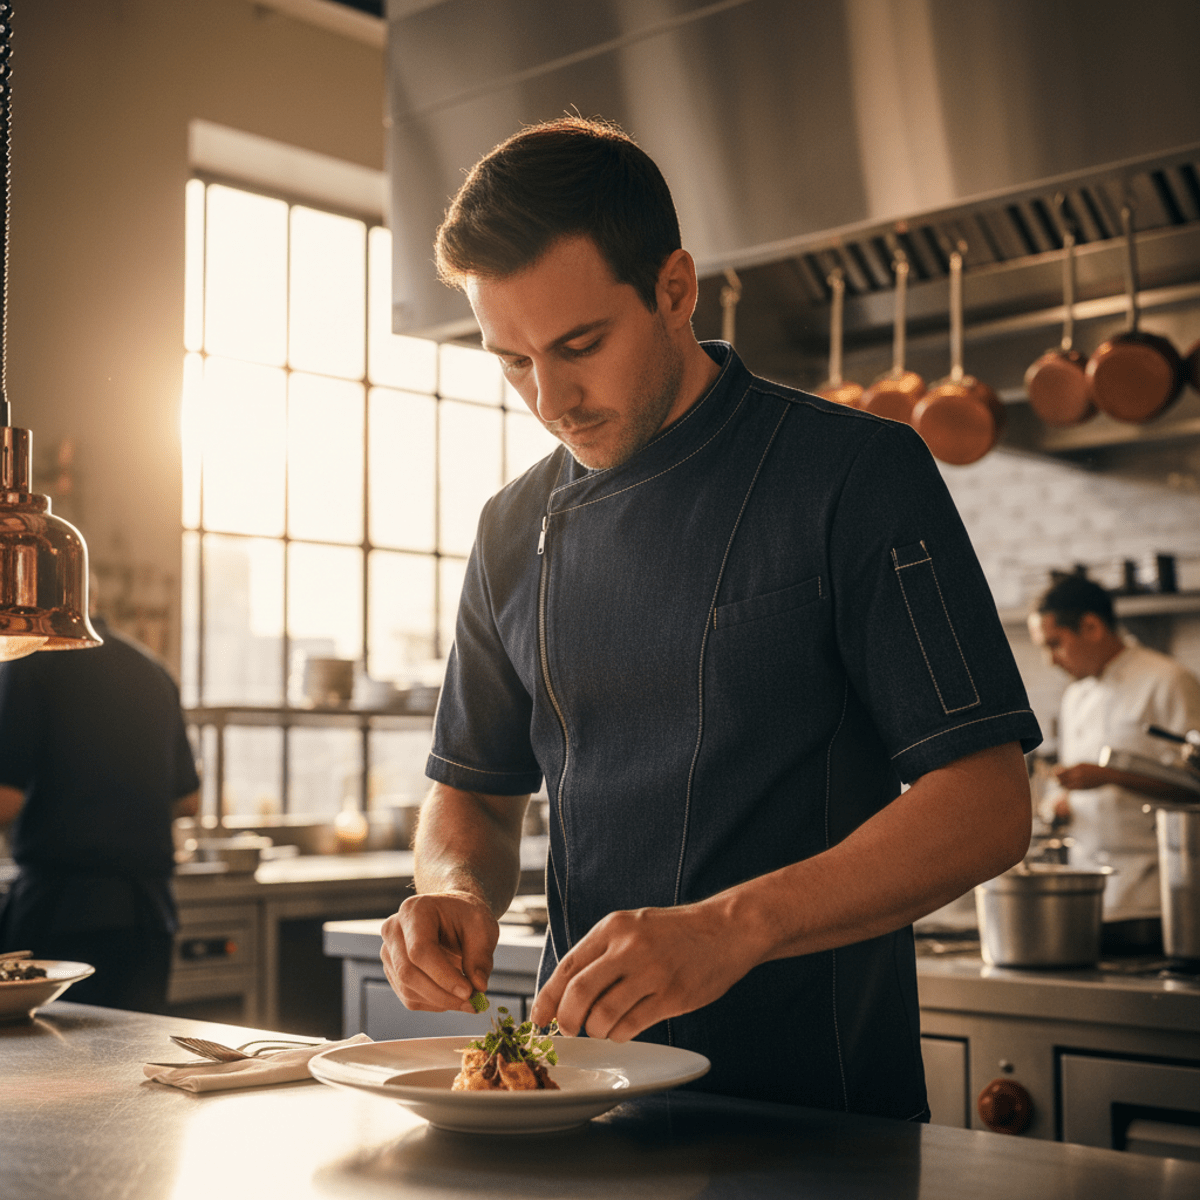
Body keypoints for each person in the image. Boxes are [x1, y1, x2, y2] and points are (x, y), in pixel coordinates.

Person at [380, 116, 1041, 1119]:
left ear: (675, 290)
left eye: (579, 346)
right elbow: (469, 794)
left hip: (818, 1122)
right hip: (573, 1105)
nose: (550, 399)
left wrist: (736, 926)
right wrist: (458, 895)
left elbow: (988, 802)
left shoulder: (858, 475)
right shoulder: (511, 529)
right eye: (512, 362)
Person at [0, 576, 200, 1011]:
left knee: (47, 1071)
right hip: (149, 915)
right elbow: (189, 801)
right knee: (133, 1060)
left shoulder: (31, 658)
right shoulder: (152, 669)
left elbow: (5, 800)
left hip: (64, 914)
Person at [1029, 573, 1200, 917]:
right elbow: (1076, 786)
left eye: (1055, 644)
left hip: (1157, 892)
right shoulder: (1075, 697)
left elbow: (1195, 787)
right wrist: (1058, 804)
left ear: (1091, 627)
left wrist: (1113, 776)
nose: (1051, 660)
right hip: (1088, 888)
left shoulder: (1167, 681)